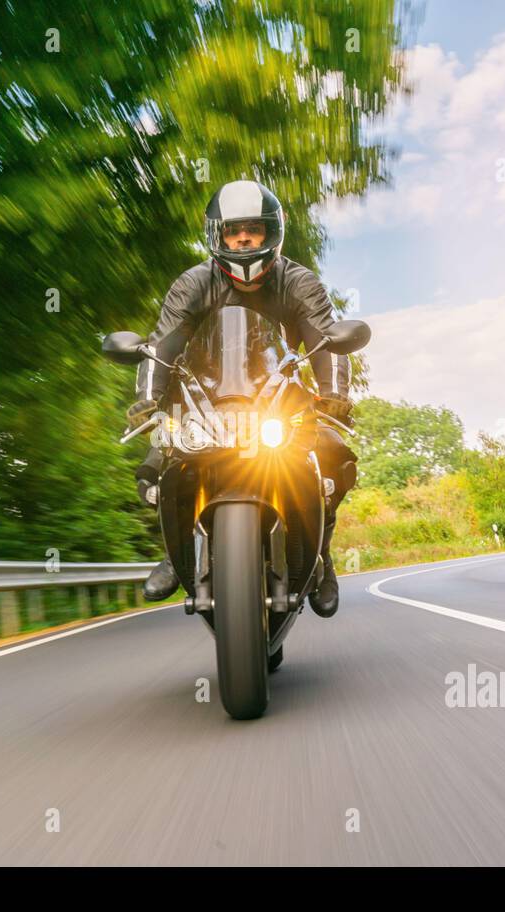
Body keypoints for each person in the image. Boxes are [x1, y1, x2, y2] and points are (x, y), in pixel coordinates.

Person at [127, 179, 357, 617]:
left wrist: (334, 395)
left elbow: (327, 340)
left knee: (335, 454)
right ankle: (177, 551)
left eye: (253, 228)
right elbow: (162, 345)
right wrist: (148, 398)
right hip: (205, 400)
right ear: (218, 236)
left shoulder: (298, 281)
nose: (244, 238)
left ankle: (322, 555)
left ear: (272, 232)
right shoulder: (193, 283)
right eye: (234, 231)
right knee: (159, 456)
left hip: (277, 396)